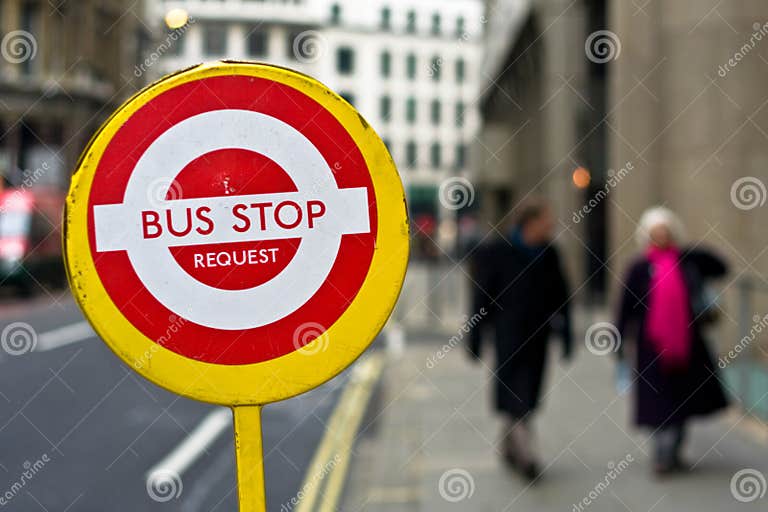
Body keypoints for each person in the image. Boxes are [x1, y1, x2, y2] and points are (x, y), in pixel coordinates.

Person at [616, 206, 728, 476]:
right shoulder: (640, 268)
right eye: (656, 232)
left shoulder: (686, 262)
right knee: (658, 402)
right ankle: (662, 453)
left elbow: (720, 267)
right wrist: (618, 341)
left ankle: (673, 448)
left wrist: (689, 250)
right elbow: (625, 308)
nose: (661, 237)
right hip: (651, 347)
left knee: (682, 400)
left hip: (687, 344)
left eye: (666, 231)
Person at [468, 198, 572, 480]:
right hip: (508, 336)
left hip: (539, 336)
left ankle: (511, 441)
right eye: (545, 220)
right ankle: (526, 454)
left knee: (530, 393)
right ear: (530, 223)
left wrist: (567, 335)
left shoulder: (549, 254)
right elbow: (482, 298)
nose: (551, 226)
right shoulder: (498, 252)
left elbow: (562, 296)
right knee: (516, 393)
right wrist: (474, 337)